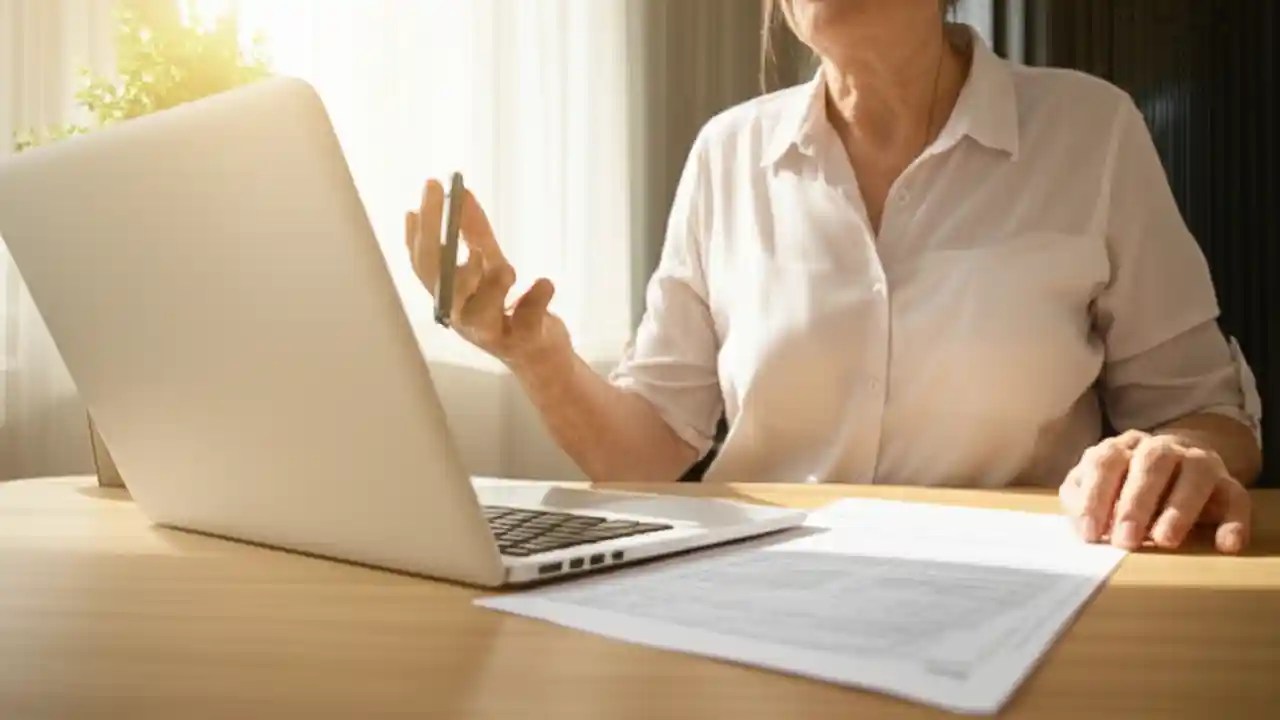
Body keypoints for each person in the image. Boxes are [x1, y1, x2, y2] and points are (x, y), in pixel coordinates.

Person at [404, 0, 1262, 555]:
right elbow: (649, 453)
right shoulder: (727, 153)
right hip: (753, 594)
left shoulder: (1090, 131)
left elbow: (1207, 413)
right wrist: (535, 355)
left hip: (1018, 597)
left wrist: (1177, 454)